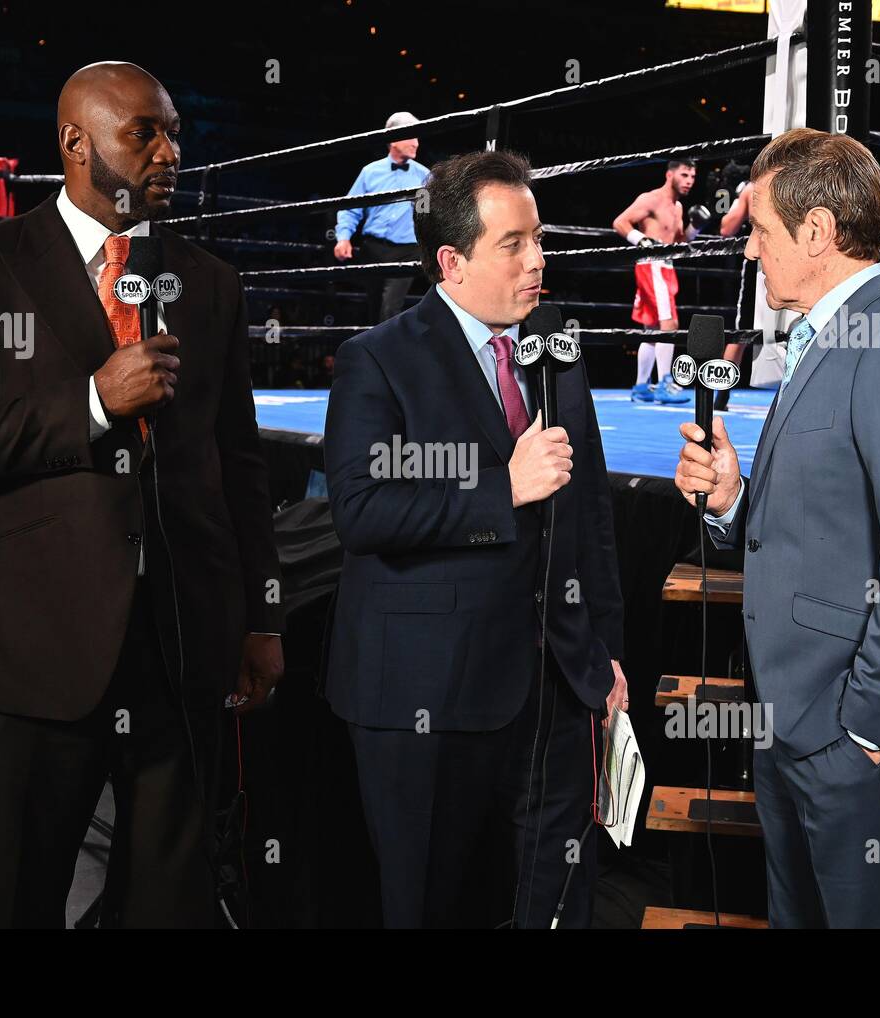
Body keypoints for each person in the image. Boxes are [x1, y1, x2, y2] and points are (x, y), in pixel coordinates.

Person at [0, 61, 285, 928]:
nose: (168, 150)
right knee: (24, 907)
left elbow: (240, 466)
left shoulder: (210, 281)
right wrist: (92, 404)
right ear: (75, 142)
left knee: (167, 911)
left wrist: (261, 616)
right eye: (142, 131)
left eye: (174, 130)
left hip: (184, 651)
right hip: (34, 656)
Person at [674, 128, 880, 929]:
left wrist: (861, 733)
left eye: (761, 233)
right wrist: (735, 500)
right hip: (797, 724)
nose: (748, 253)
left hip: (851, 738)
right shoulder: (823, 339)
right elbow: (813, 531)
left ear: (816, 232)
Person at [324, 150, 627, 929]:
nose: (538, 261)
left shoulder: (557, 351)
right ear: (452, 262)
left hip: (558, 688)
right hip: (428, 696)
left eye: (538, 238)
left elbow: (590, 514)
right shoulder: (378, 360)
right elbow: (362, 509)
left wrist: (605, 651)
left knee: (554, 904)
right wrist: (502, 488)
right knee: (428, 906)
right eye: (514, 245)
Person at [612, 159, 706, 404]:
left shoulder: (677, 208)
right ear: (670, 175)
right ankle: (665, 382)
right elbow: (620, 222)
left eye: (693, 177)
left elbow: (680, 242)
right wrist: (641, 240)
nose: (689, 181)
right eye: (684, 175)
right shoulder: (650, 199)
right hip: (651, 264)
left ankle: (641, 386)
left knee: (652, 330)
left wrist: (695, 227)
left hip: (666, 266)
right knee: (669, 323)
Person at [333, 111, 429, 323]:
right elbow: (350, 208)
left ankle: (387, 354)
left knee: (389, 307)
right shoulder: (370, 172)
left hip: (408, 249)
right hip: (373, 248)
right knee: (375, 307)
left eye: (417, 137)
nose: (416, 143)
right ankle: (374, 353)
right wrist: (343, 237)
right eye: (411, 137)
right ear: (393, 139)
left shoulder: (424, 176)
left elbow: (427, 217)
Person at [715, 179, 754, 410]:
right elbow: (726, 230)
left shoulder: (753, 188)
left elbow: (726, 228)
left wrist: (742, 198)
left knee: (743, 329)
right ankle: (721, 395)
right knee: (743, 329)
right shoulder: (803, 182)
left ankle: (721, 397)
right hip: (792, 260)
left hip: (760, 261)